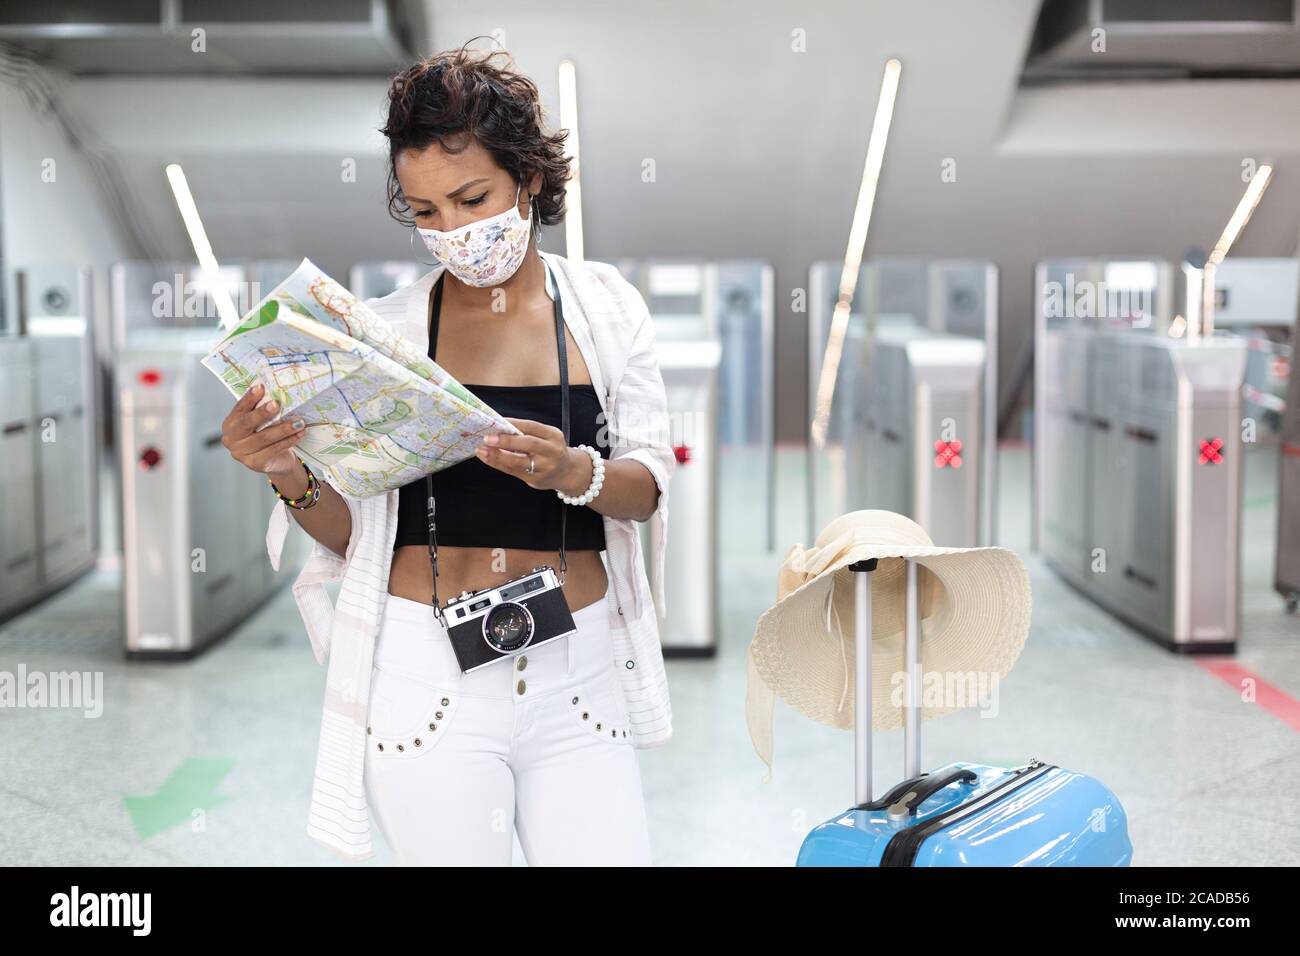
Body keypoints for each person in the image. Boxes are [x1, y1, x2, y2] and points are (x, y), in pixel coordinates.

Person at [219, 41, 676, 865]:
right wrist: (286, 474)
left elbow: (648, 492)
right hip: (426, 682)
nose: (455, 232)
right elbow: (358, 539)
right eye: (427, 213)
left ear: (530, 178)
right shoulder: (384, 333)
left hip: (580, 675)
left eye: (473, 198)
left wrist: (577, 471)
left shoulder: (607, 309)